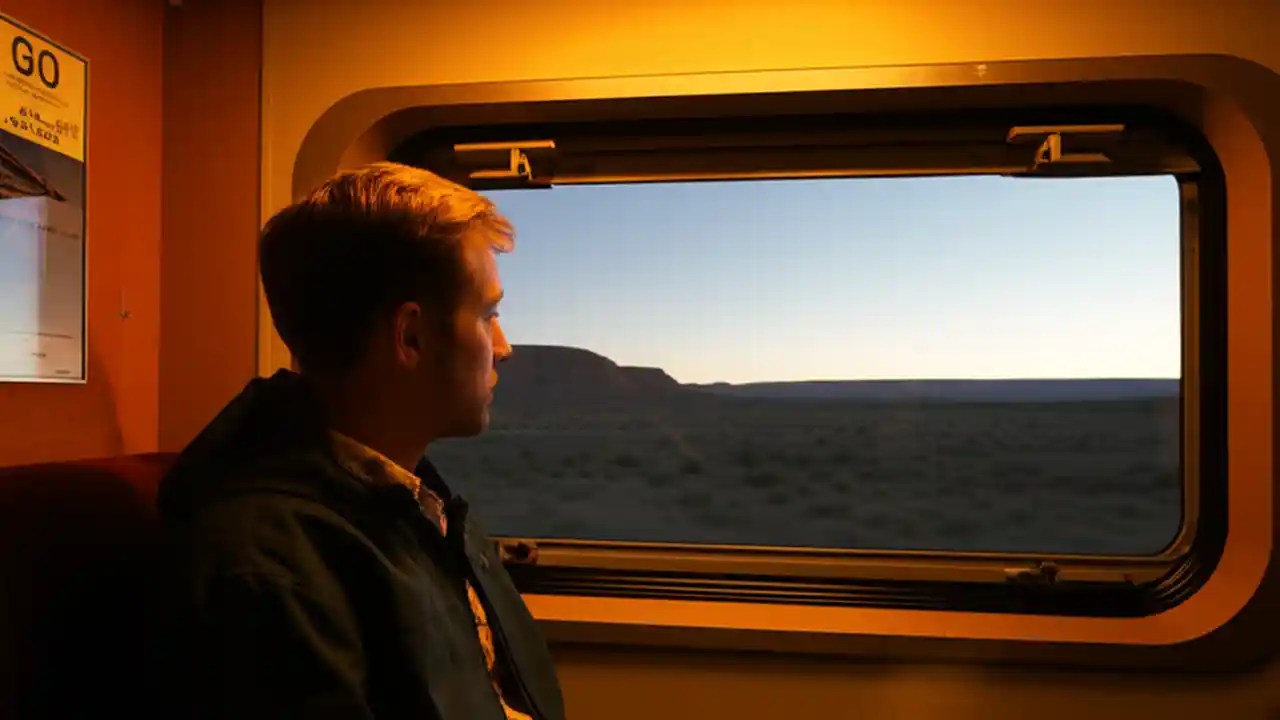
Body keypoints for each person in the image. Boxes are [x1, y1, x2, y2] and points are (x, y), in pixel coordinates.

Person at [152, 162, 565, 719]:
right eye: (488, 314)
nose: (505, 345)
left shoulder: (414, 505)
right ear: (411, 337)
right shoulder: (266, 572)